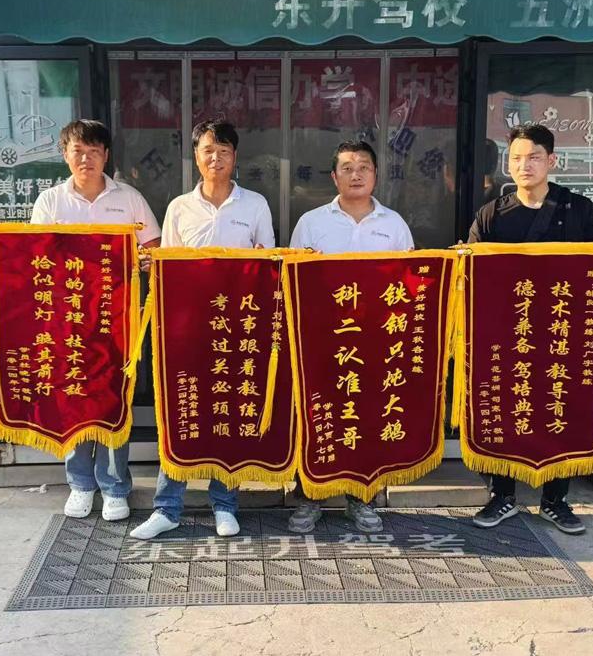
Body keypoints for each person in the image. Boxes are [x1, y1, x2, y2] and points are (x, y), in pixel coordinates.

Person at [468, 123, 593, 535]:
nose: (524, 165)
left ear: (551, 160)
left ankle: (555, 499)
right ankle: (503, 495)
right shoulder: (492, 214)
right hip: (510, 334)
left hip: (562, 333)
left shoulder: (577, 209)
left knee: (558, 406)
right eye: (516, 158)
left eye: (533, 157)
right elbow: (470, 266)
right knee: (507, 408)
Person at [130, 118, 275, 541]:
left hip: (236, 329)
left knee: (227, 411)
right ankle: (167, 507)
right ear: (196, 156)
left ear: (235, 157)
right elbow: (168, 269)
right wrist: (153, 265)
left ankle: (224, 505)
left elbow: (268, 262)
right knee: (182, 411)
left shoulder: (255, 205)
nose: (216, 158)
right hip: (188, 327)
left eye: (224, 151)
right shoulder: (179, 207)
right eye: (209, 150)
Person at [30, 119, 161, 522]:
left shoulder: (130, 199)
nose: (86, 159)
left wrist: (143, 260)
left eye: (94, 151)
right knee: (73, 398)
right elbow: (35, 257)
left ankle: (115, 486)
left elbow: (154, 248)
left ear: (106, 155)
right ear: (65, 155)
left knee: (113, 400)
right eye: (78, 151)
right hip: (67, 321)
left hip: (118, 320)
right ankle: (80, 484)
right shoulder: (50, 202)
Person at [288, 140, 414, 534]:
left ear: (375, 175)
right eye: (347, 168)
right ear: (334, 176)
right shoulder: (312, 222)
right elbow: (293, 279)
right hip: (322, 340)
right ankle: (309, 495)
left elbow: (410, 283)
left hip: (375, 342)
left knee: (367, 416)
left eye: (363, 167)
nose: (355, 174)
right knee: (318, 415)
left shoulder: (394, 224)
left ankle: (362, 498)